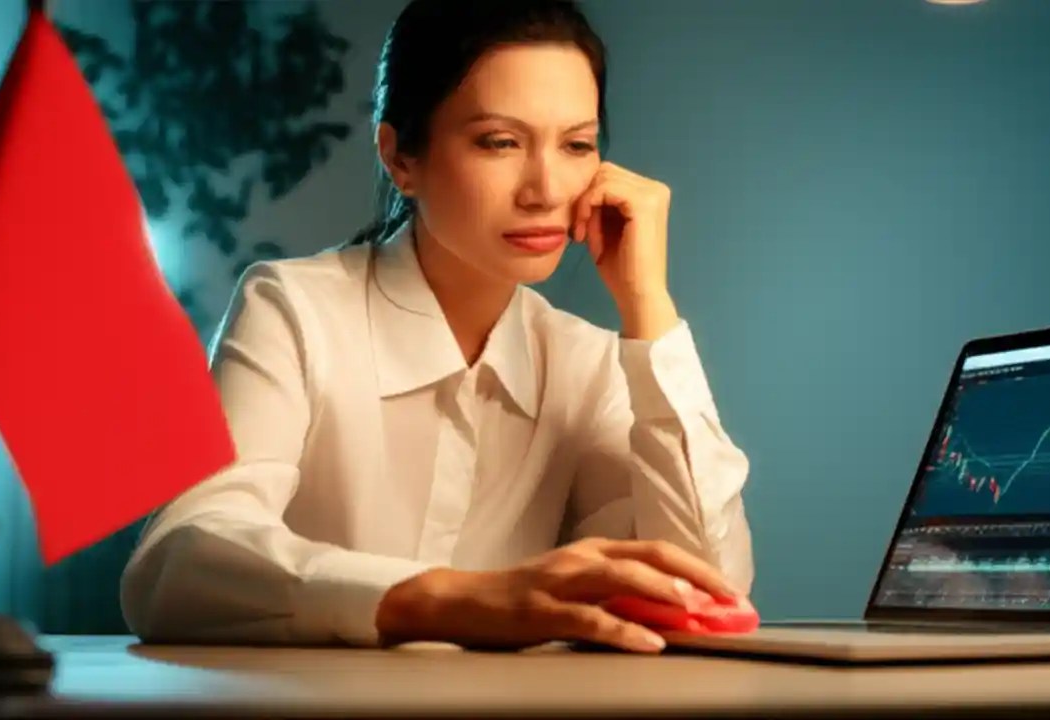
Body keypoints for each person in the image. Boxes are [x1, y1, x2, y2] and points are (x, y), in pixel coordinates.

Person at [120, 0, 753, 655]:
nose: (544, 188)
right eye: (499, 142)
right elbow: (180, 561)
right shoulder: (295, 309)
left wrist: (648, 307)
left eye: (576, 145)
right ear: (400, 158)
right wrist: (447, 598)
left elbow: (707, 595)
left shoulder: (586, 363)